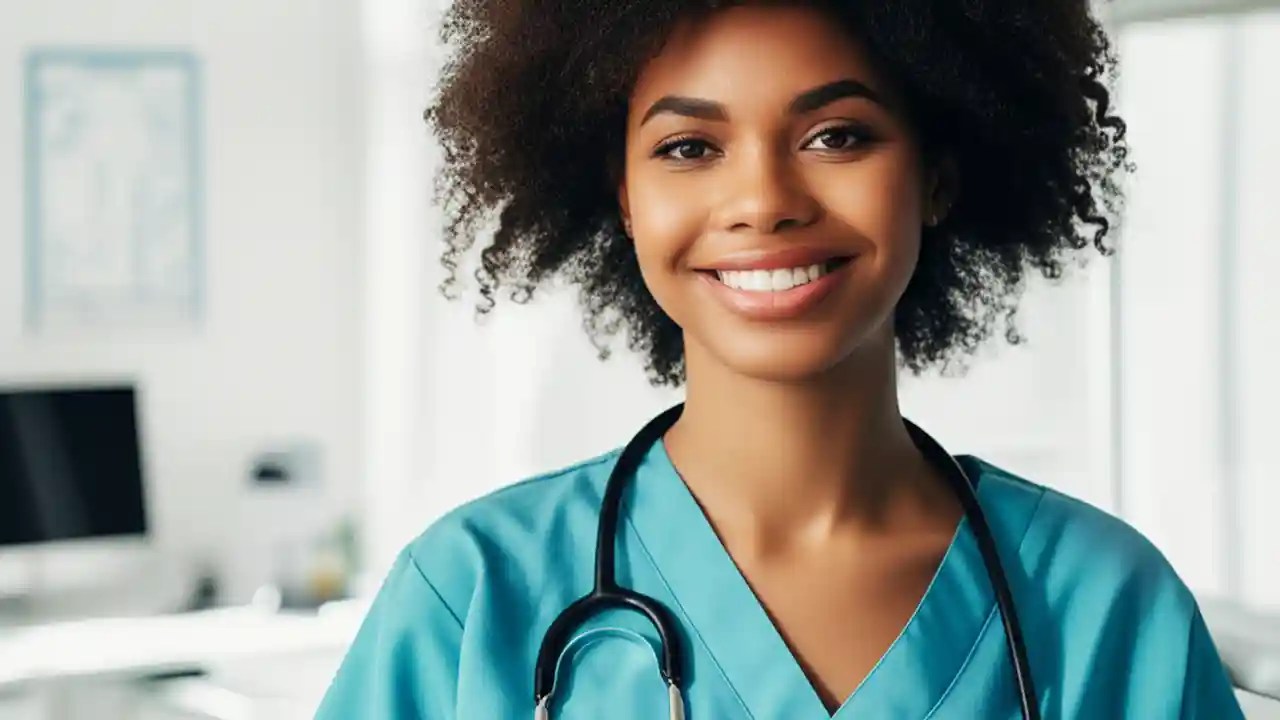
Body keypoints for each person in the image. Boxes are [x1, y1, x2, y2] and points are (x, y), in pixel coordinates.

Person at [317, 1, 1245, 717]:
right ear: (626, 197)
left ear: (938, 174)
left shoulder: (1105, 608)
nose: (762, 200)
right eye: (689, 147)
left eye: (836, 135)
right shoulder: (472, 597)